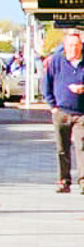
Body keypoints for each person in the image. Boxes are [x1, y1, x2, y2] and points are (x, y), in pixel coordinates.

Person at [39, 28, 84, 192]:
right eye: (70, 45)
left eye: (77, 45)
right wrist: (53, 107)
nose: (74, 49)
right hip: (62, 111)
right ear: (65, 46)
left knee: (82, 147)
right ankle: (64, 181)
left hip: (82, 113)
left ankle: (83, 180)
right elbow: (46, 84)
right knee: (62, 148)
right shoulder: (56, 61)